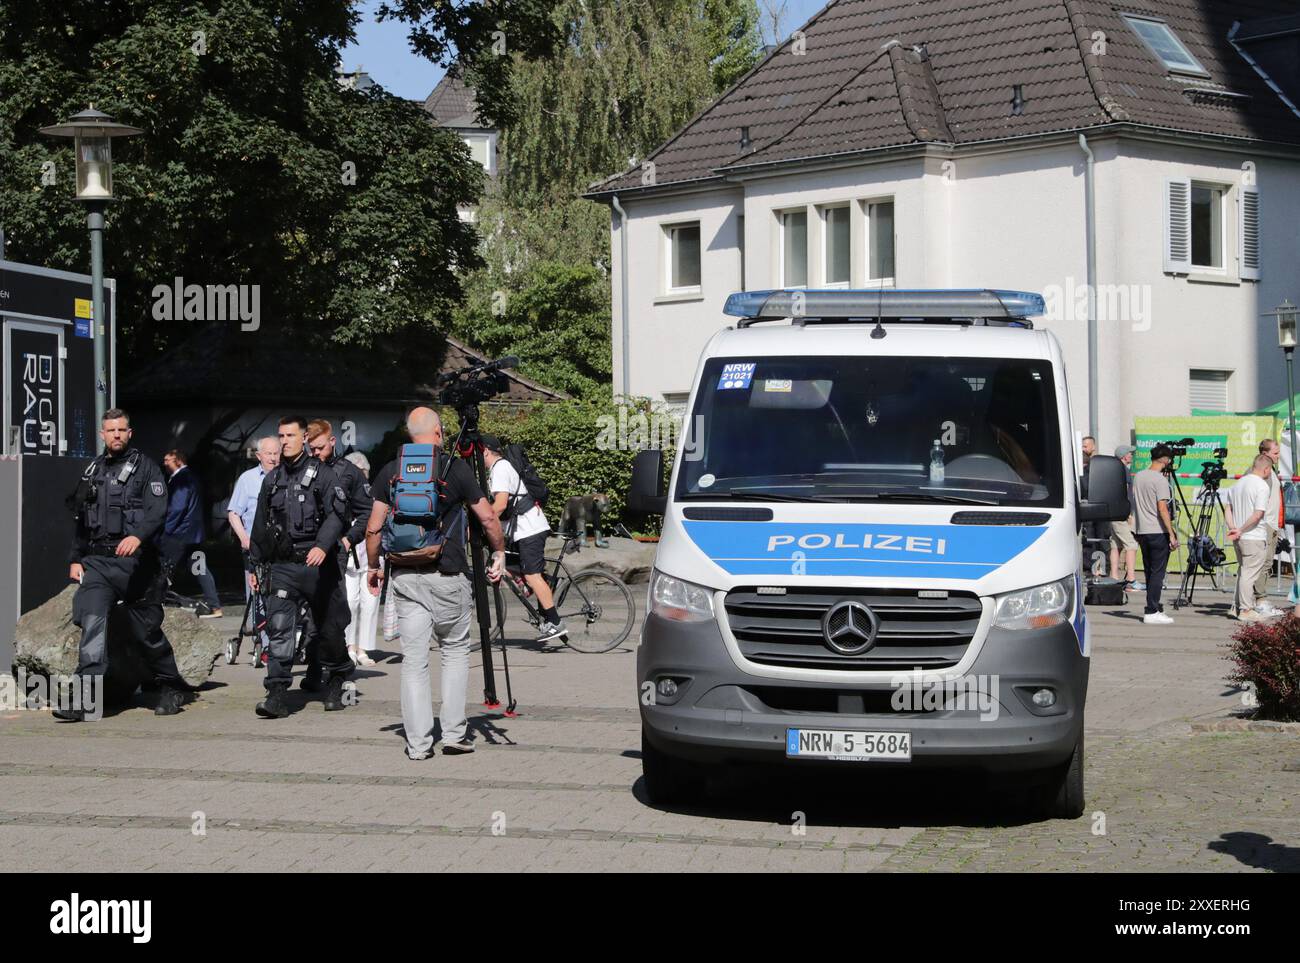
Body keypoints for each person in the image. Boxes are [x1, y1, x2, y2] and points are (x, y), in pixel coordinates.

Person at [364, 407, 506, 760]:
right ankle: (455, 734)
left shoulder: (390, 471)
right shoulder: (455, 468)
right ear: (439, 433)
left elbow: (373, 528)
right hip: (448, 573)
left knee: (414, 661)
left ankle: (418, 745)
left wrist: (372, 566)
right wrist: (499, 551)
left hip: (406, 576)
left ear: (409, 434)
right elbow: (487, 517)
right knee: (455, 652)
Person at [60, 408, 186, 721]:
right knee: (92, 623)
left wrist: (138, 537)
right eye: (110, 430)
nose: (116, 435)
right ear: (102, 435)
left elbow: (158, 512)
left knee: (146, 632)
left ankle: (171, 685)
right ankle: (87, 697)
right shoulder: (92, 470)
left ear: (130, 433)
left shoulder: (146, 469)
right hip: (99, 564)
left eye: (121, 430)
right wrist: (75, 558)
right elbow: (81, 521)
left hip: (137, 565)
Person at [248, 415, 353, 717]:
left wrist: (322, 545)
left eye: (290, 436)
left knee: (329, 630)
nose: (285, 441)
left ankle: (337, 677)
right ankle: (277, 693)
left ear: (304, 437)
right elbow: (259, 525)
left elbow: (338, 515)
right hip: (283, 566)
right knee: (279, 629)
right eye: (280, 436)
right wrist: (255, 565)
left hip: (319, 565)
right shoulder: (273, 479)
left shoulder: (323, 475)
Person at [303, 419, 375, 683]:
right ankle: (311, 668)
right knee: (306, 612)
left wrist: (349, 539)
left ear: (332, 442)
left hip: (334, 550)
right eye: (311, 449)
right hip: (303, 549)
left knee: (332, 612)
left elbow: (368, 510)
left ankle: (335, 671)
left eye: (320, 448)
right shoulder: (301, 469)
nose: (315, 454)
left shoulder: (348, 471)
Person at [482, 434, 566, 642]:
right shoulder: (499, 468)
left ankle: (555, 623)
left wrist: (485, 522)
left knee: (531, 575)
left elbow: (500, 505)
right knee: (508, 563)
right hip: (521, 531)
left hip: (529, 529)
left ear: (484, 450)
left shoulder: (500, 468)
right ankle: (548, 583)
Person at [228, 436, 280, 654]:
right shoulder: (247, 479)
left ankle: (278, 641)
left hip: (280, 550)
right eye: (268, 453)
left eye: (276, 453)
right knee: (257, 595)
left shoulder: (287, 477)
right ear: (259, 456)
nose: (273, 458)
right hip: (254, 548)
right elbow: (233, 513)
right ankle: (265, 641)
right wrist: (244, 538)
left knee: (279, 596)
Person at [160, 450, 222, 617]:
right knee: (200, 568)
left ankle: (156, 601)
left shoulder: (182, 478)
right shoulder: (192, 476)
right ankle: (215, 606)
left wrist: (165, 529)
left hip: (178, 534)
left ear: (179, 460)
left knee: (164, 567)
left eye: (168, 460)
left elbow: (178, 507)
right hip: (193, 535)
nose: (165, 463)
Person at [1225, 453, 1276, 622]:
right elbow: (1258, 514)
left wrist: (1233, 527)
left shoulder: (1238, 483)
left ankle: (1236, 606)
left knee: (1243, 571)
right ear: (1266, 469)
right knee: (1249, 573)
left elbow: (1228, 509)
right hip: (1253, 536)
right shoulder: (1261, 486)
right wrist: (1240, 529)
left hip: (1240, 536)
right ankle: (1246, 609)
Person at [1132, 444, 1179, 625]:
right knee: (1158, 572)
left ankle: (1154, 606)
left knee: (1150, 571)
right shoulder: (1160, 480)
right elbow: (1163, 508)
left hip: (1142, 529)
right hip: (1157, 530)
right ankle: (1151, 611)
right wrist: (1172, 533)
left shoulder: (1139, 476)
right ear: (1165, 459)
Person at [343, 450, 381, 664]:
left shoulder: (375, 495)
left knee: (370, 603)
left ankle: (363, 649)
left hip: (372, 557)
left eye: (362, 472)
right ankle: (349, 645)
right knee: (350, 602)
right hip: (349, 557)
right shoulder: (341, 496)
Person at [1254, 438, 1284, 613]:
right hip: (1264, 523)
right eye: (1275, 453)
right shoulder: (1261, 472)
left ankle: (1260, 599)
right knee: (1263, 563)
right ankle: (1260, 600)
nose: (1278, 456)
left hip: (1272, 523)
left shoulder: (1270, 470)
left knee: (1266, 563)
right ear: (1264, 454)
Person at [1108, 445, 1139, 586]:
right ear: (1124, 456)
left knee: (1116, 544)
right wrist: (1127, 512)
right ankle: (1130, 579)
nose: (1131, 455)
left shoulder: (1112, 470)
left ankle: (1113, 577)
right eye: (1130, 453)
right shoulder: (1124, 470)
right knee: (1131, 545)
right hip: (1121, 513)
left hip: (1113, 512)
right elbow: (1124, 492)